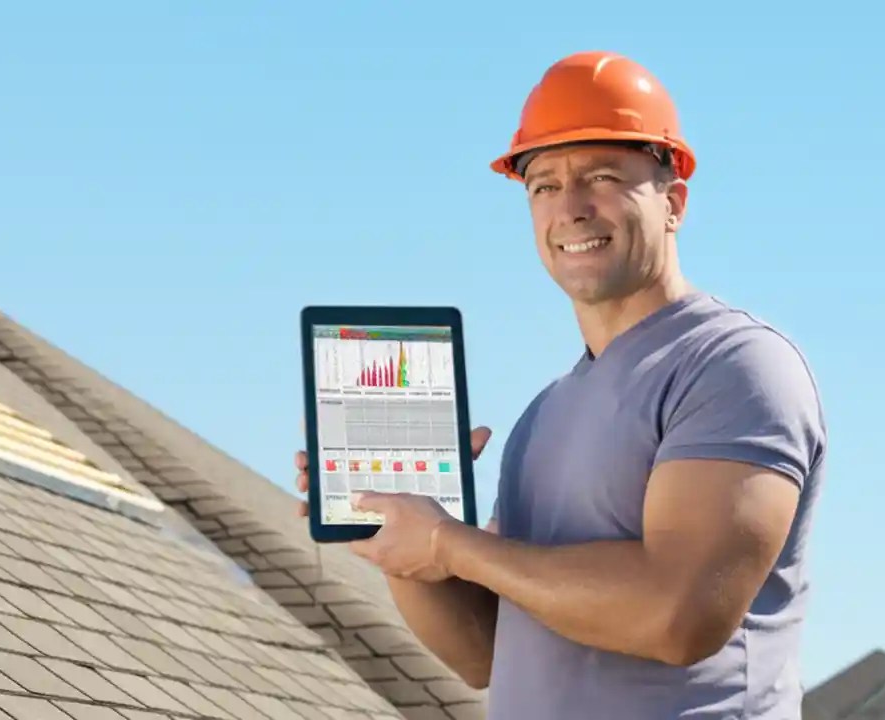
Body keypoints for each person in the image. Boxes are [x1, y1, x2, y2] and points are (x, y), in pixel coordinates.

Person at [294, 50, 826, 719]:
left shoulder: (734, 365)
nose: (570, 209)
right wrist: (403, 538)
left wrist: (450, 543)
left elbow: (679, 615)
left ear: (674, 202)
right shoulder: (543, 415)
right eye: (543, 185)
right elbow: (483, 653)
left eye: (601, 177)